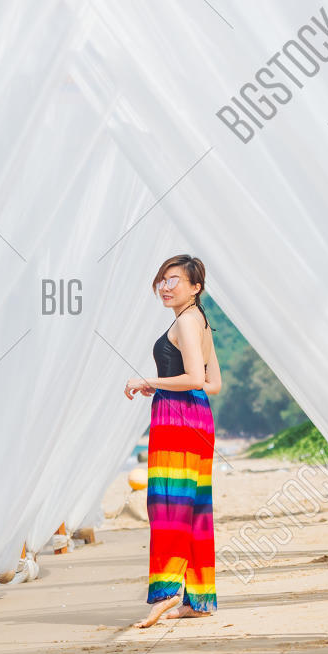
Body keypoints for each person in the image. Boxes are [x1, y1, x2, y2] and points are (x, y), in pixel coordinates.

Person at [123, 254, 222, 628]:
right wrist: (165, 384)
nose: (165, 287)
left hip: (178, 421)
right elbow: (213, 384)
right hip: (195, 416)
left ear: (195, 287)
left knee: (168, 504)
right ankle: (198, 599)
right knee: (194, 507)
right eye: (163, 280)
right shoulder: (201, 322)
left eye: (174, 280)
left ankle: (166, 594)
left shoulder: (185, 321)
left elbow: (196, 379)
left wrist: (148, 381)